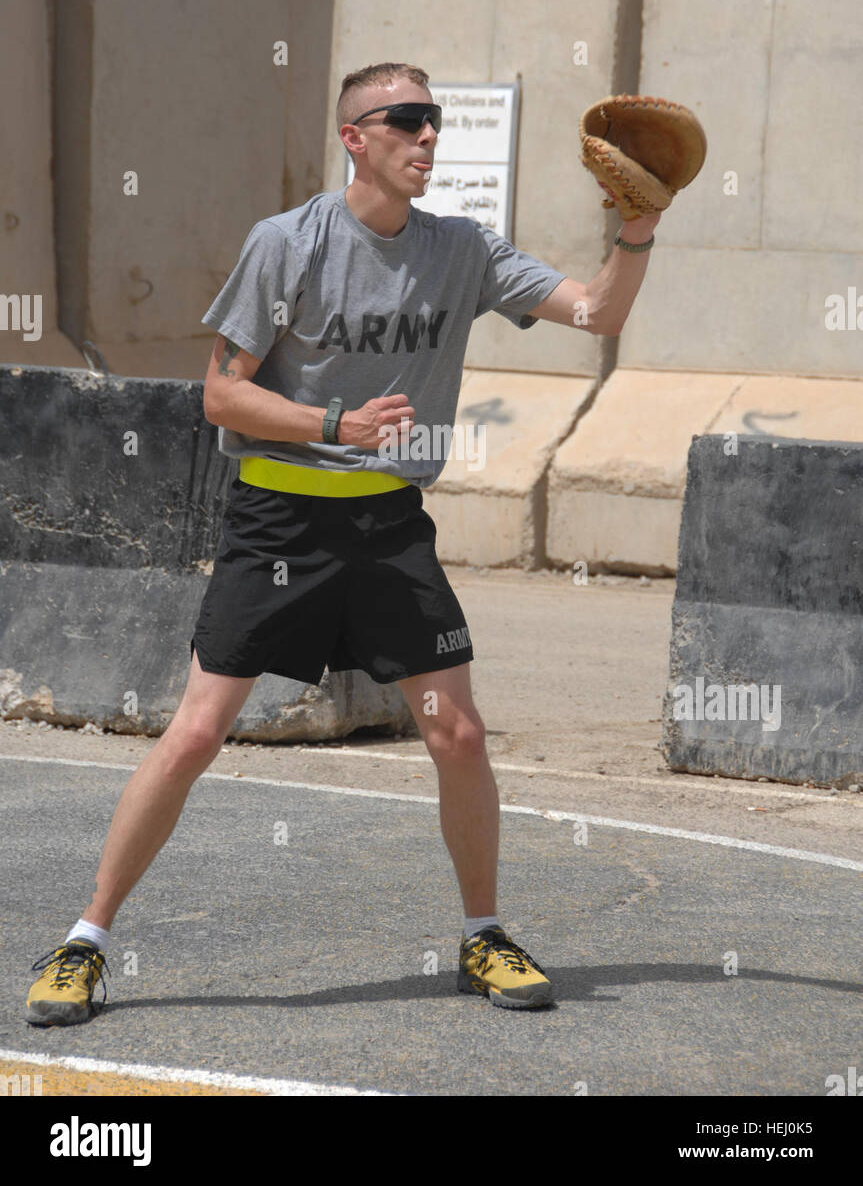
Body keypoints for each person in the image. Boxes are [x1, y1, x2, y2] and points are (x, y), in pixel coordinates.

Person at [25, 61, 660, 1024]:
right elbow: (220, 394)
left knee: (457, 730)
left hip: (388, 525)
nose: (427, 137)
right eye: (405, 121)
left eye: (434, 121)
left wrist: (636, 229)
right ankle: (85, 942)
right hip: (277, 518)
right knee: (196, 732)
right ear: (354, 137)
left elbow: (597, 311)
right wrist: (335, 427)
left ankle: (483, 935)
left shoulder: (463, 250)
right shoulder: (288, 244)